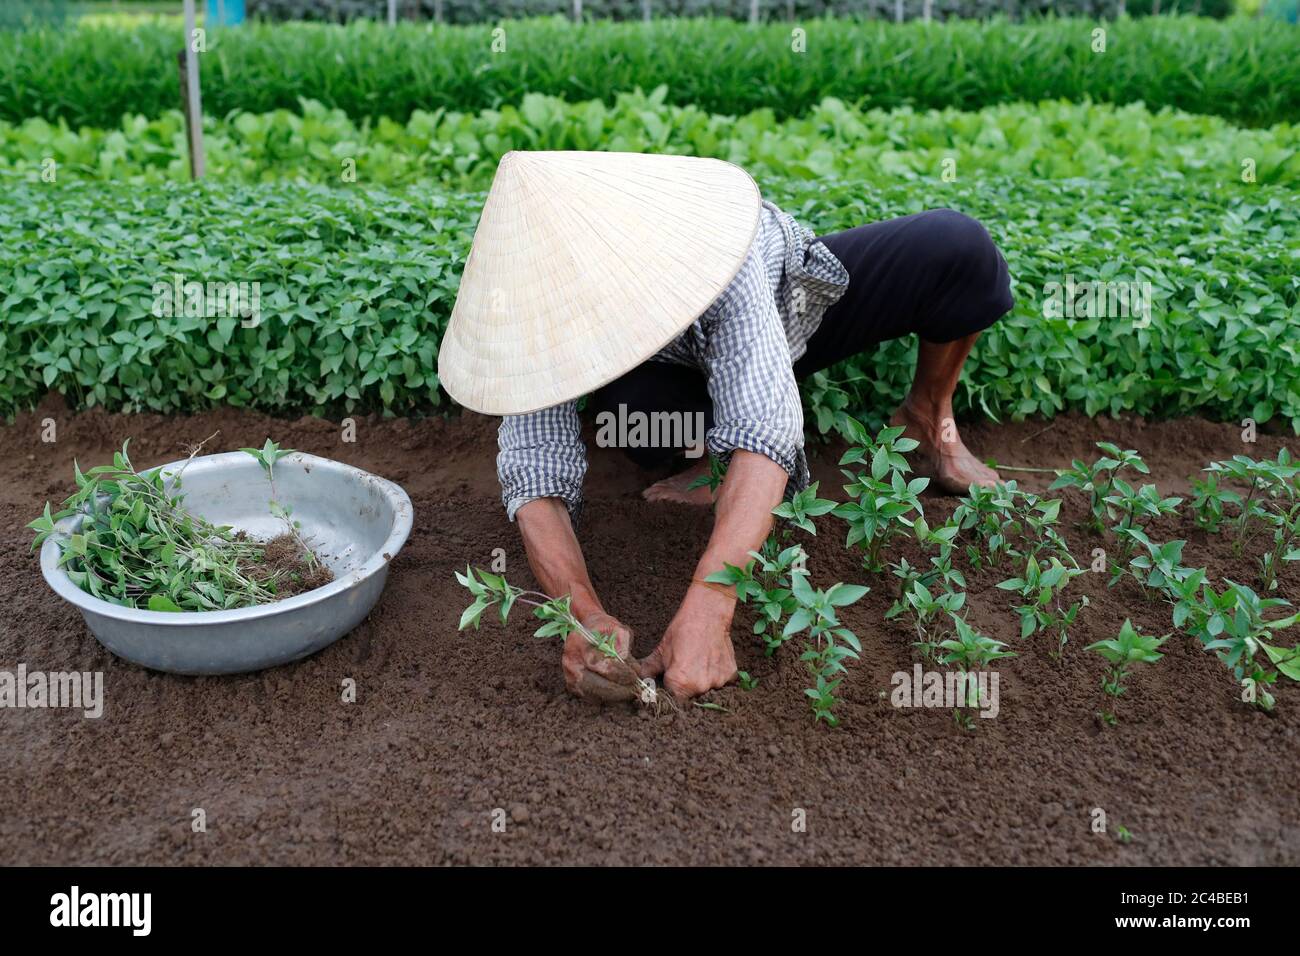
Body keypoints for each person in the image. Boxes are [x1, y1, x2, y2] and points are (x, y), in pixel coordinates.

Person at [438, 150, 1013, 702]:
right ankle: (708, 458)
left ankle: (928, 417)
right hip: (669, 372)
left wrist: (711, 605)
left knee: (958, 249)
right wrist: (581, 613)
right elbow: (533, 469)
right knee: (637, 421)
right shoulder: (530, 303)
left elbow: (767, 426)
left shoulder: (705, 245)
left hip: (784, 308)